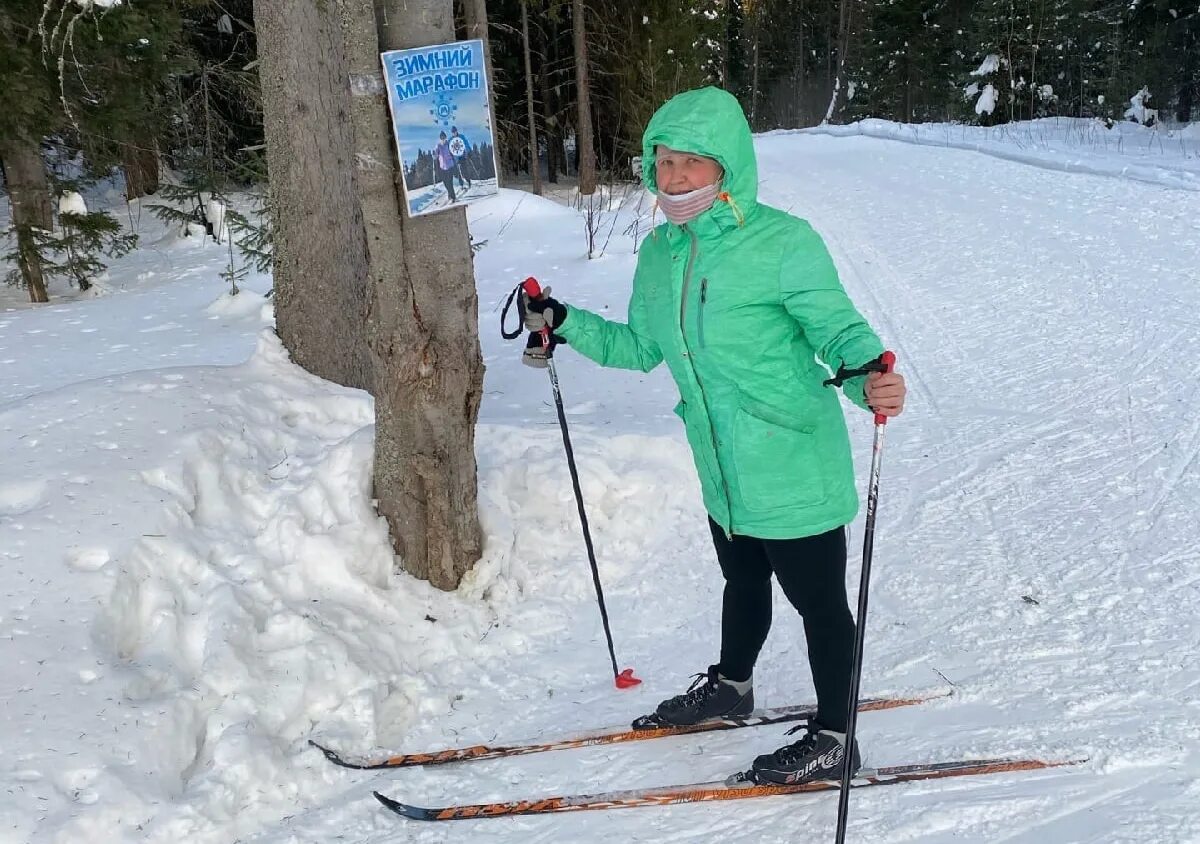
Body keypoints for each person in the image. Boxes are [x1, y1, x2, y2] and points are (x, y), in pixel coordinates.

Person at [521, 86, 907, 785]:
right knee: (742, 580)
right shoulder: (661, 254)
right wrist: (565, 318)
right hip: (721, 464)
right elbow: (640, 347)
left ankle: (835, 735)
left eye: (690, 164)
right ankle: (733, 688)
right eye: (663, 162)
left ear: (726, 168)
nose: (672, 178)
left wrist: (867, 377)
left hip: (791, 461)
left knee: (819, 604)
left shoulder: (784, 242)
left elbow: (839, 333)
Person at [434, 131, 458, 203]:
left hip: (450, 165)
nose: (443, 139)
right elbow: (435, 154)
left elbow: (453, 151)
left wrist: (455, 160)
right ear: (440, 138)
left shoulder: (449, 144)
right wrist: (434, 155)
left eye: (444, 138)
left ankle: (453, 197)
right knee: (445, 183)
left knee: (450, 182)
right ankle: (450, 194)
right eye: (442, 138)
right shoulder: (438, 146)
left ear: (446, 138)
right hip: (442, 167)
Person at [449, 126, 473, 190]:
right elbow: (449, 148)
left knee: (464, 170)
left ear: (457, 131)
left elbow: (466, 144)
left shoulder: (461, 137)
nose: (454, 133)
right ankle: (461, 184)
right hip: (456, 158)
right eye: (453, 132)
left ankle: (468, 181)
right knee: (458, 171)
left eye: (455, 131)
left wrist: (469, 151)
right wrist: (450, 155)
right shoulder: (451, 139)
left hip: (462, 156)